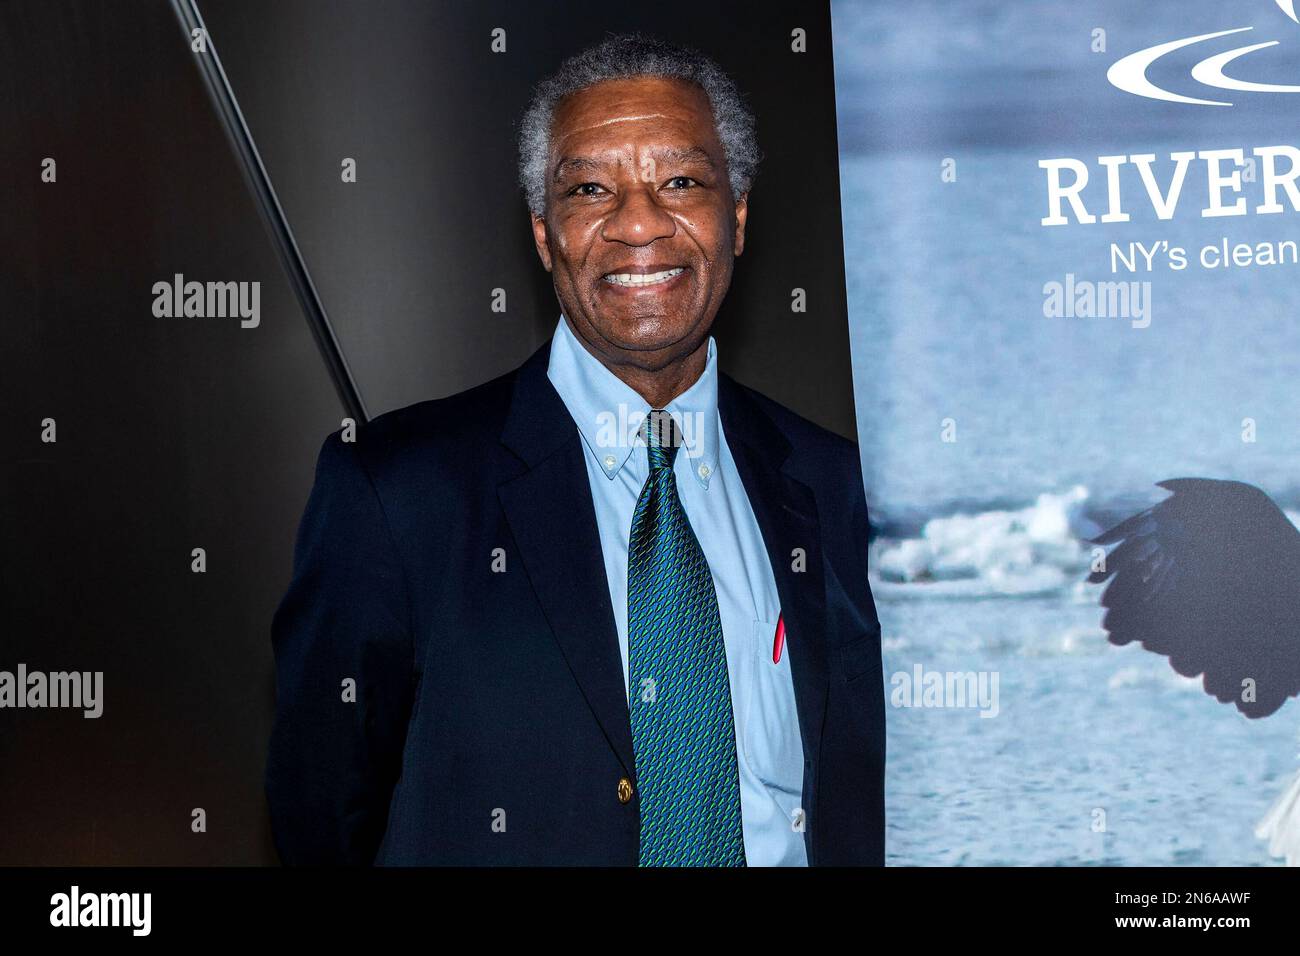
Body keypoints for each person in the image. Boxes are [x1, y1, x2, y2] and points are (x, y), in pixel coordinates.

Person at [265, 32, 884, 866]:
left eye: (681, 181)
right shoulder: (396, 495)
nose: (638, 222)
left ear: (734, 215)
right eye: (592, 188)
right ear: (545, 233)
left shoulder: (841, 487)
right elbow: (322, 815)